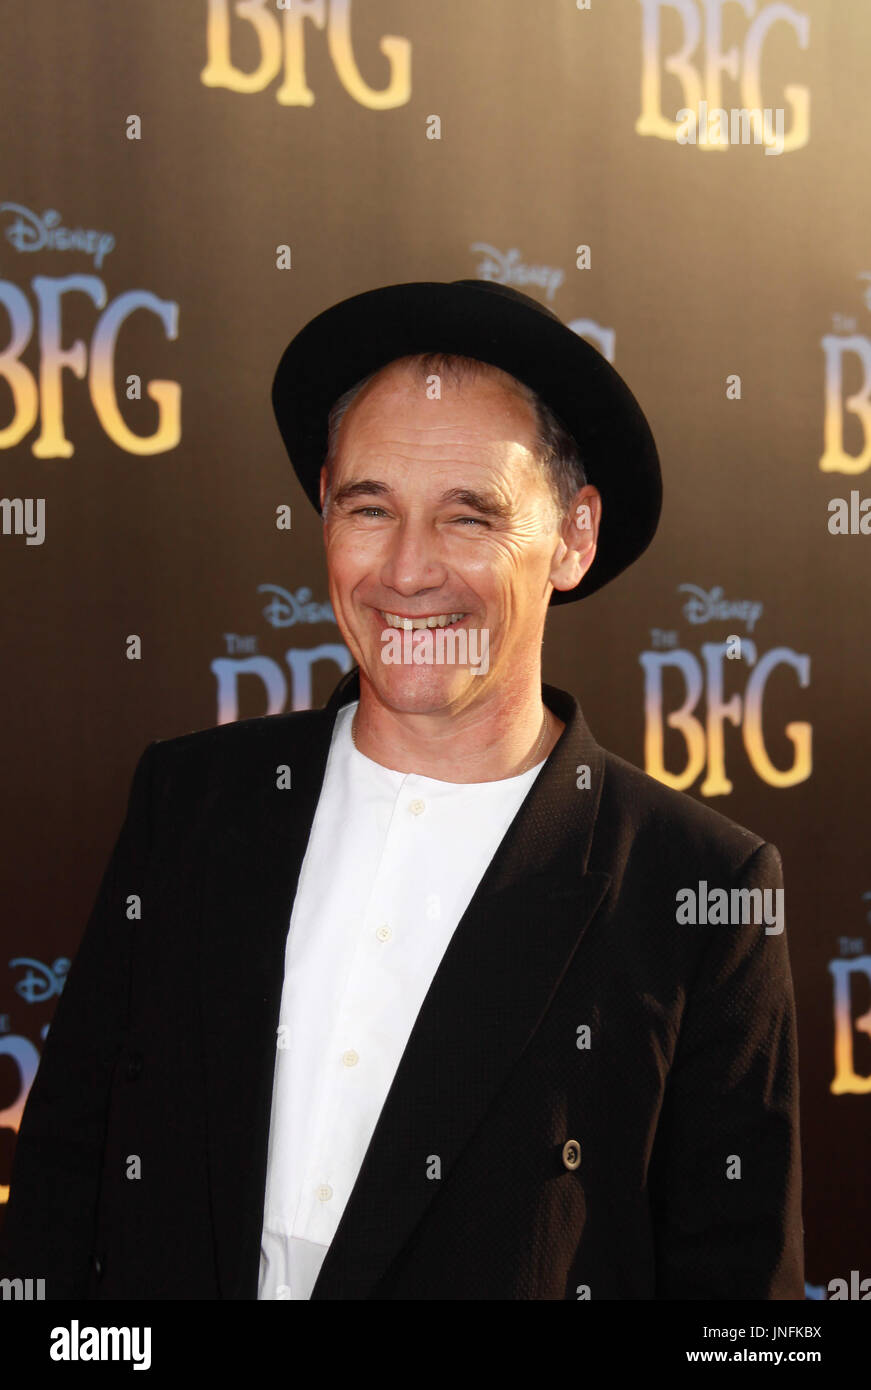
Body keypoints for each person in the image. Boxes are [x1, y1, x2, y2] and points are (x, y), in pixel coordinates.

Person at [1, 280, 803, 1299]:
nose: (408, 570)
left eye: (470, 516)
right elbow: (65, 1185)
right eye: (369, 507)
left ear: (574, 536)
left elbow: (736, 1297)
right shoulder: (192, 803)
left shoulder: (701, 891)